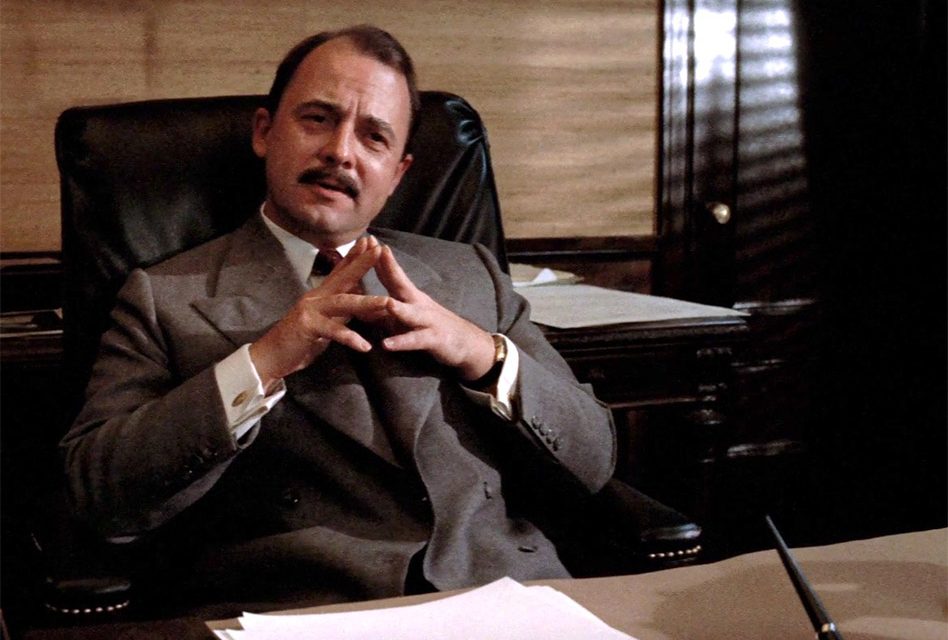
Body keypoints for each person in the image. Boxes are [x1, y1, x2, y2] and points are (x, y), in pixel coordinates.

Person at [61, 24, 616, 613]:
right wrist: (261, 363)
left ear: (398, 173)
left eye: (373, 137)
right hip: (309, 608)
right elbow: (97, 493)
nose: (340, 152)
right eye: (318, 119)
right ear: (264, 132)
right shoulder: (165, 296)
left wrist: (483, 354)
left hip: (502, 598)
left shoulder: (470, 274)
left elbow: (595, 459)